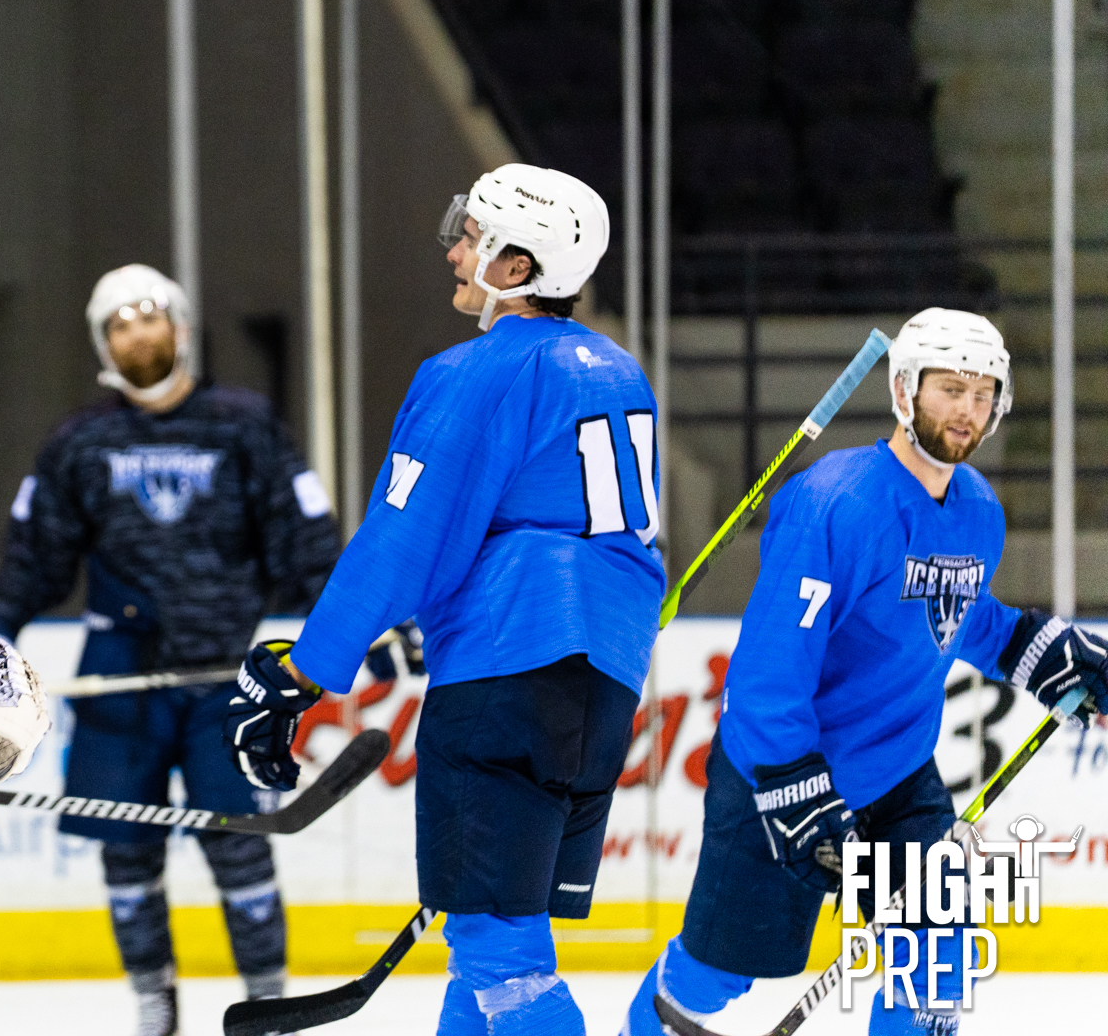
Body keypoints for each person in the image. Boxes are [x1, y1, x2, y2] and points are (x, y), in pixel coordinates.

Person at [230, 163, 659, 1035]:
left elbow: (404, 539)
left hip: (507, 673)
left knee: (503, 956)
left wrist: (304, 672)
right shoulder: (618, 370)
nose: (455, 253)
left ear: (516, 267)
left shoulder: (477, 370)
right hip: (602, 686)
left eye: (472, 238)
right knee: (489, 937)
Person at [619, 308, 1108, 1036]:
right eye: (950, 389)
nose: (967, 410)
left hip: (899, 776)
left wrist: (1036, 650)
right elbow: (769, 674)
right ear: (905, 390)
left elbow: (952, 616)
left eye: (983, 394)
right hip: (778, 775)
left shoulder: (978, 509)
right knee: (716, 976)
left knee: (937, 963)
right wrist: (792, 787)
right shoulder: (836, 502)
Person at [0, 263, 342, 1036]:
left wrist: (351, 627)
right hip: (120, 676)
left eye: (148, 314)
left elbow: (307, 544)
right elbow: (35, 559)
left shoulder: (245, 426)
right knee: (125, 851)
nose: (137, 332)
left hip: (225, 679)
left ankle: (267, 1006)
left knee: (240, 847)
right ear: (104, 344)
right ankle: (153, 1009)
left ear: (181, 325)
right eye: (119, 323)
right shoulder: (79, 442)